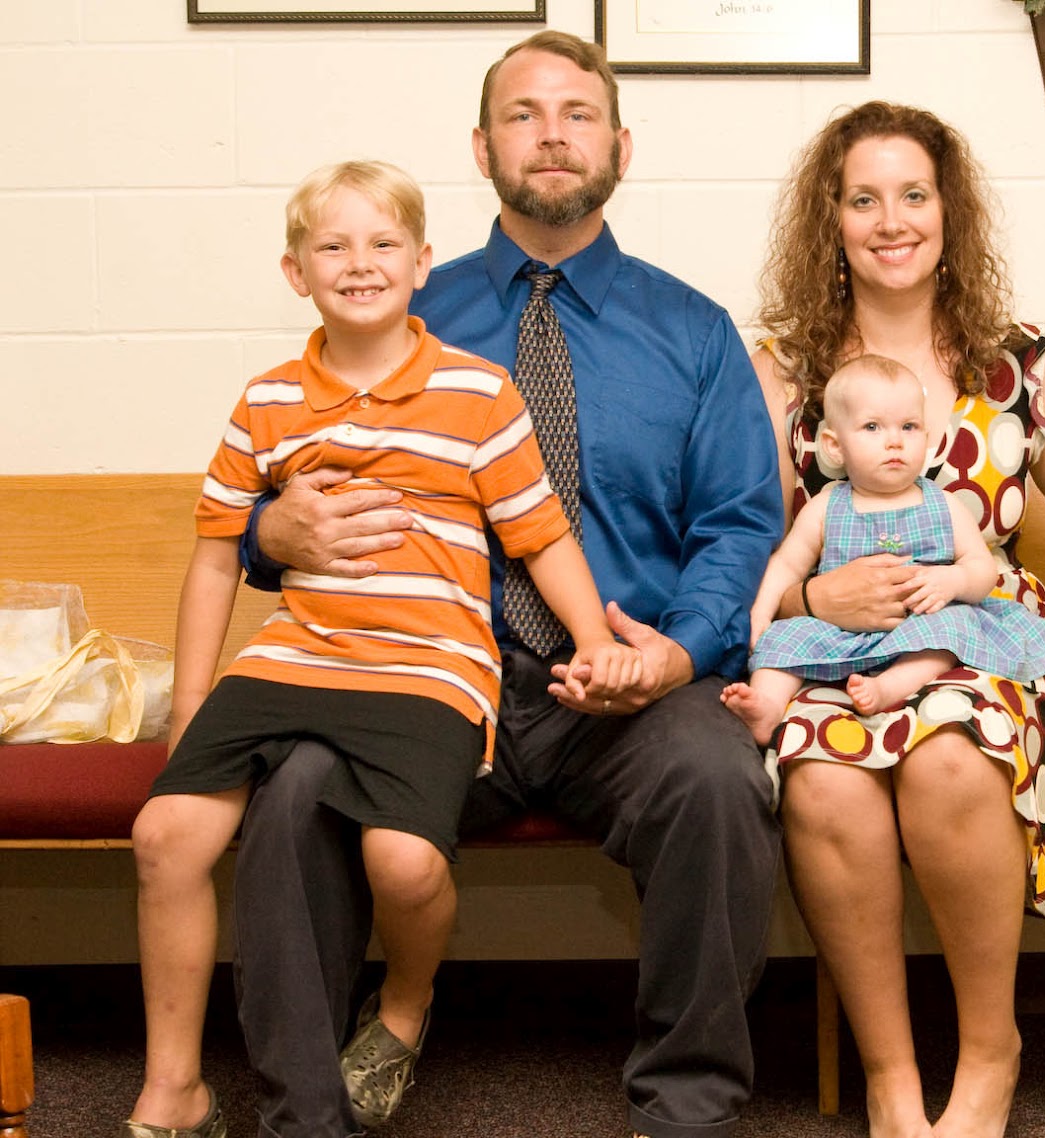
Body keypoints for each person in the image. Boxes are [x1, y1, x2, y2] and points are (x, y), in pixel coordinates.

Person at [227, 32, 785, 1138]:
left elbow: (737, 525)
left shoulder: (693, 331)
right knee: (296, 791)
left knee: (718, 781)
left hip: (630, 687)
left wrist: (673, 653)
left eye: (578, 113)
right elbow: (274, 475)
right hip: (426, 681)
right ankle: (304, 1115)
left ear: (621, 145)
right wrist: (266, 533)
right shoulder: (395, 311)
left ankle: (687, 1107)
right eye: (524, 114)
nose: (552, 135)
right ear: (481, 148)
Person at [122, 159, 641, 1138]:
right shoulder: (268, 399)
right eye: (333, 246)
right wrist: (189, 703)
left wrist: (591, 640)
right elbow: (216, 557)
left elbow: (541, 535)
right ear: (296, 272)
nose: (359, 263)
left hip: (430, 667)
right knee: (164, 835)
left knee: (403, 863)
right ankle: (174, 1086)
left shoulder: (477, 391)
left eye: (382, 243)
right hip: (299, 653)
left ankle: (405, 1001)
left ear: (422, 264)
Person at [752, 102, 1045, 1138]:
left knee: (951, 757)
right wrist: (812, 599)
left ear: (948, 211)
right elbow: (749, 554)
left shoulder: (1022, 366)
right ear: (829, 219)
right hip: (833, 649)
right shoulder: (783, 369)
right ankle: (889, 1073)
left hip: (989, 638)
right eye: (863, 199)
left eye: (913, 195)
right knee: (823, 776)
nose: (891, 221)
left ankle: (990, 1052)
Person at [723, 353, 1045, 736]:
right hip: (839, 628)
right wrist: (760, 616)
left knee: (953, 627)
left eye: (909, 426)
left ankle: (890, 687)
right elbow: (787, 565)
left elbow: (982, 569)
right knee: (783, 640)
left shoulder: (943, 504)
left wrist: (952, 581)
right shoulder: (825, 508)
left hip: (920, 624)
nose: (895, 442)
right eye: (872, 427)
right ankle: (766, 707)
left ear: (927, 438)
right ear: (834, 445)